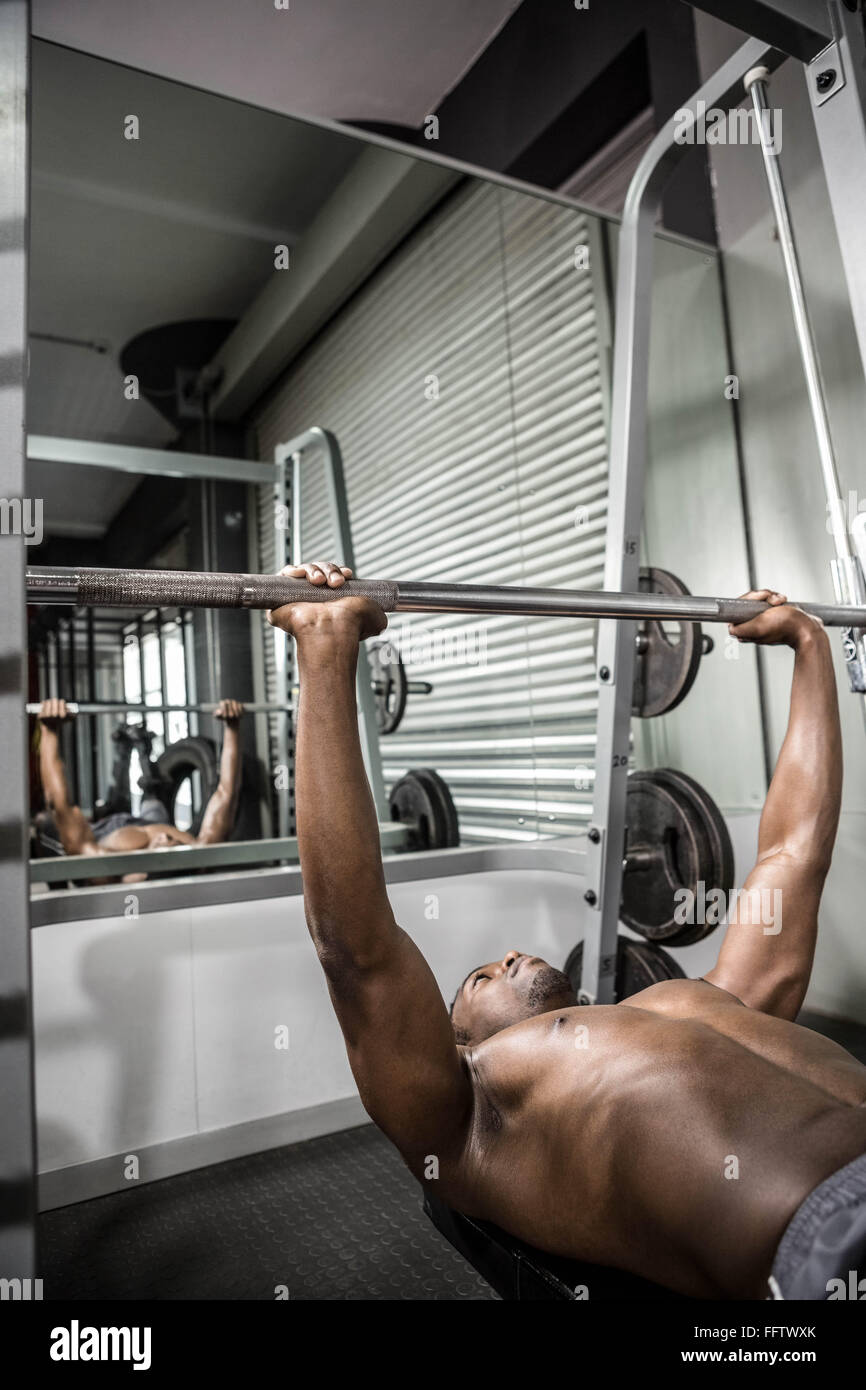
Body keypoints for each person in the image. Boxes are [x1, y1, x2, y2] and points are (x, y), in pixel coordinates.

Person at [267, 559, 866, 1302]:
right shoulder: (469, 1114)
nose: (510, 954)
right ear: (458, 1043)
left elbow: (792, 857)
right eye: (481, 978)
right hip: (836, 1238)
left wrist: (808, 648)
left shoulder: (703, 1002)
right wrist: (326, 650)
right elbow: (355, 950)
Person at [36, 699, 245, 862]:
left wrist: (49, 731)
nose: (166, 838)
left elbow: (60, 805)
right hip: (151, 820)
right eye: (173, 842)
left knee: (100, 807)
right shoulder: (197, 852)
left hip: (106, 828)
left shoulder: (106, 864)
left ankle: (123, 749)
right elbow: (226, 793)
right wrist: (232, 727)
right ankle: (142, 746)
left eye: (165, 846)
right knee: (152, 795)